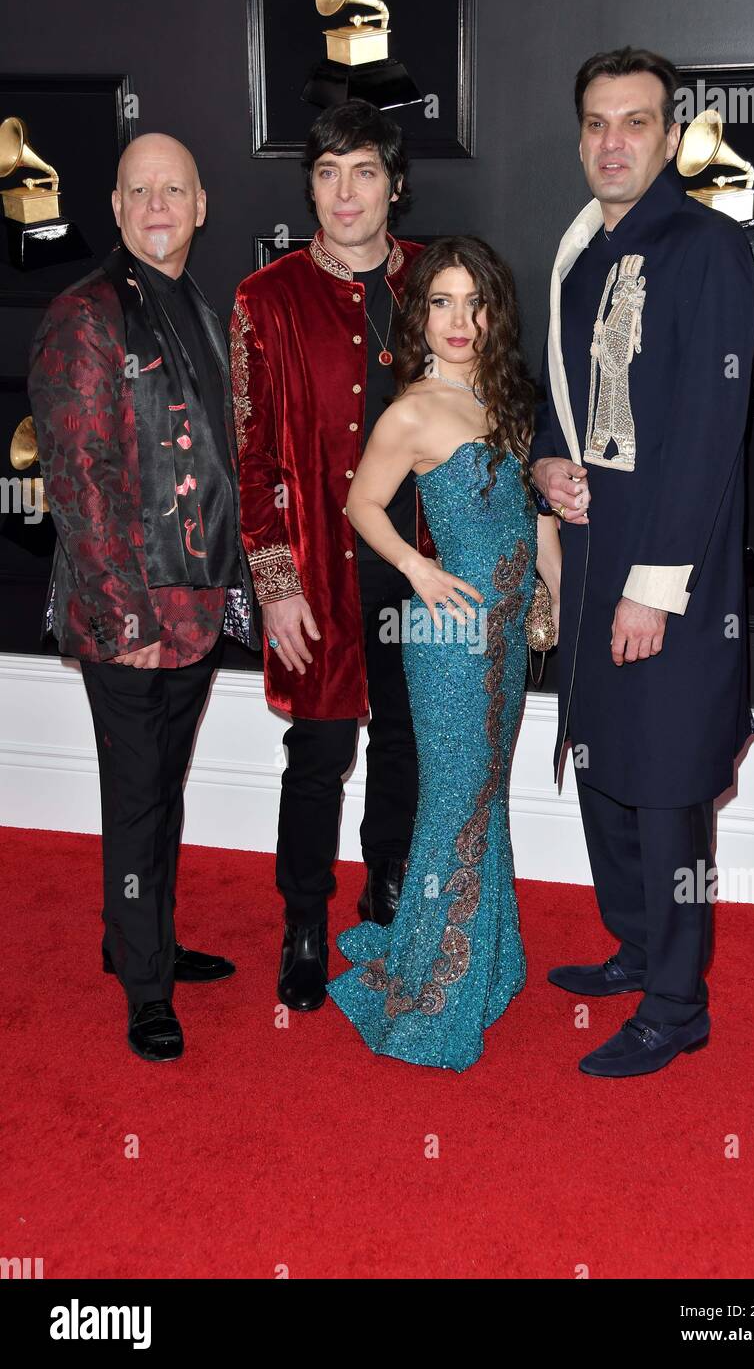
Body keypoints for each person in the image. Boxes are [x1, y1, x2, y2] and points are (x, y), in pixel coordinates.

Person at [531, 47, 754, 1078]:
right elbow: (558, 398)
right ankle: (632, 947)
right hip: (589, 558)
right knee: (603, 769)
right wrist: (544, 462)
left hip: (670, 575)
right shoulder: (580, 254)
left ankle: (677, 1006)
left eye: (632, 122)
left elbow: (710, 433)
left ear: (668, 138)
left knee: (663, 786)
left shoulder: (708, 249)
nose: (610, 141)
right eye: (594, 122)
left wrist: (653, 587)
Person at [28, 133, 258, 1062]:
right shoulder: (86, 314)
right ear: (117, 209)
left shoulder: (196, 305)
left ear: (201, 206)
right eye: (138, 191)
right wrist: (125, 619)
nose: (157, 205)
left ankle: (139, 940)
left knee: (162, 790)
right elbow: (80, 483)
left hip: (195, 606)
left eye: (174, 189)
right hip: (127, 616)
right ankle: (146, 989)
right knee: (134, 800)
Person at [326, 236, 563, 1071]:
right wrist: (418, 568)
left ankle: (483, 961)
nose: (460, 320)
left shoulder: (506, 399)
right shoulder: (412, 412)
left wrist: (552, 590)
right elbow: (361, 503)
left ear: (492, 314)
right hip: (450, 640)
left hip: (504, 637)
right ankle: (434, 992)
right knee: (453, 807)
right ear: (419, 316)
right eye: (442, 302)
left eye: (475, 303)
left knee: (485, 798)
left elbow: (532, 512)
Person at [230, 100, 432, 1013]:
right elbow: (252, 456)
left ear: (395, 183)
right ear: (308, 185)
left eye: (363, 172)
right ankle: (303, 921)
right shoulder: (264, 299)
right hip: (315, 575)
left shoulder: (440, 284)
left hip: (421, 568)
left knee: (406, 743)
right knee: (316, 752)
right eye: (326, 173)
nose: (345, 193)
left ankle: (386, 892)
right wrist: (275, 587)